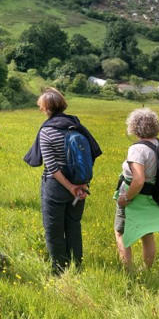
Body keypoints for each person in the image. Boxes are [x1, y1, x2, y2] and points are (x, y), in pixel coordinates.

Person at [35, 87, 98, 274]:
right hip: (80, 184)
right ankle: (77, 266)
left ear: (47, 108)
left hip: (57, 187)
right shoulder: (77, 125)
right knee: (73, 225)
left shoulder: (47, 131)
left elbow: (52, 167)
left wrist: (70, 187)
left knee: (54, 230)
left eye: (41, 106)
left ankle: (59, 270)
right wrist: (81, 184)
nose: (40, 110)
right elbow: (90, 155)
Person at [114, 108, 159, 271]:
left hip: (136, 197)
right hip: (153, 196)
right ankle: (146, 269)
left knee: (120, 232)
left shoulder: (138, 149)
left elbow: (138, 179)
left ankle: (129, 270)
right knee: (147, 234)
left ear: (134, 127)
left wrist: (126, 198)